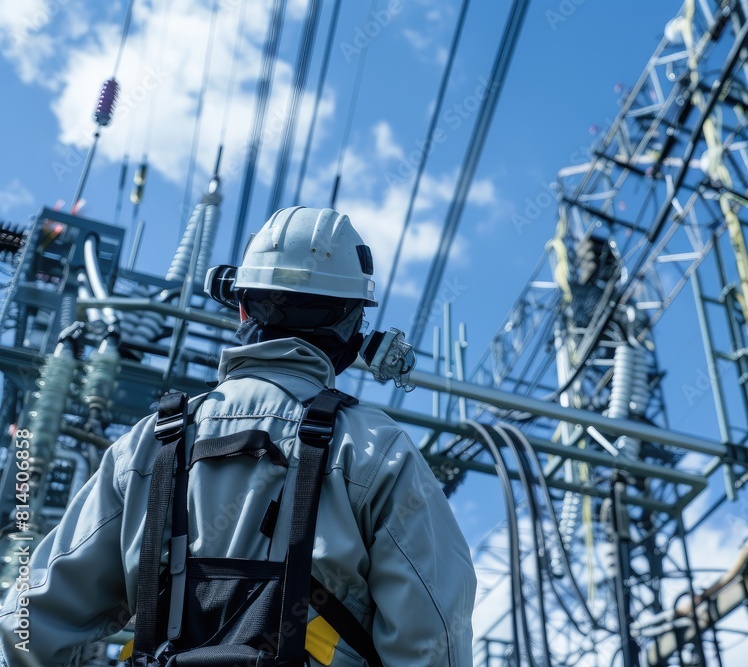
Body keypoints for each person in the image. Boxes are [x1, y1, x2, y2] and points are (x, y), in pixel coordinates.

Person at [0, 206, 477, 666]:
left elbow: (30, 621)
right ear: (353, 326)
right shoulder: (377, 450)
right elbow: (433, 632)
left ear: (243, 309)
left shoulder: (148, 446)